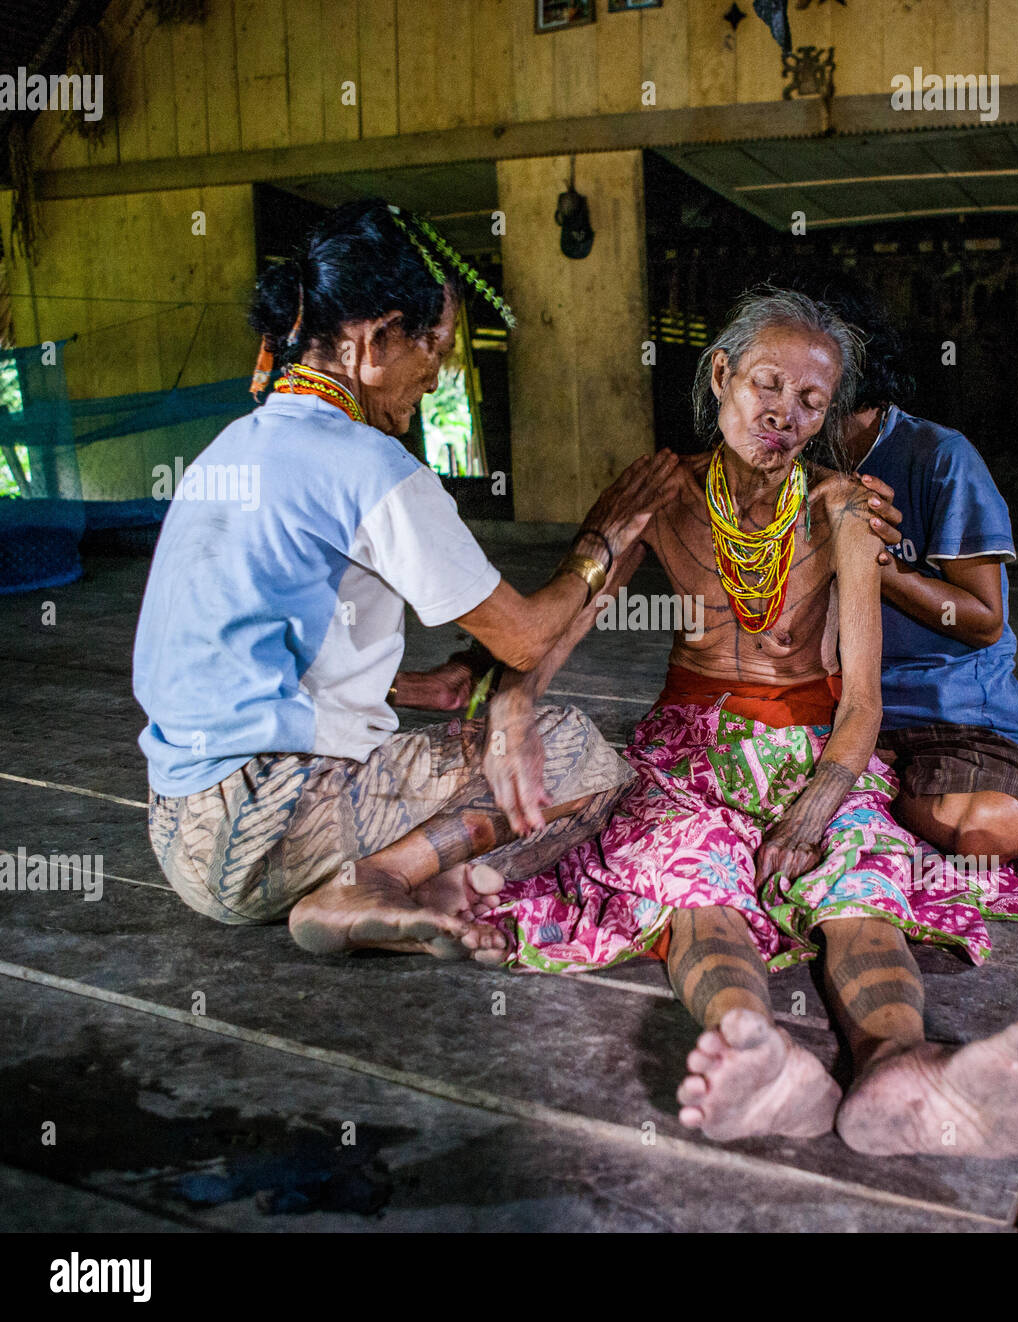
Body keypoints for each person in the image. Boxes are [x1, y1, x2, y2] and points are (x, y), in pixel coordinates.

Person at [474, 288, 1018, 1157]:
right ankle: (753, 1048)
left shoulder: (844, 507)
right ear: (721, 374)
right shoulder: (659, 491)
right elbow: (564, 621)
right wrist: (515, 697)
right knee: (697, 884)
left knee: (859, 884)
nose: (785, 413)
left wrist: (814, 812)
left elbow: (864, 703)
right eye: (768, 383)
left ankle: (901, 1066)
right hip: (689, 747)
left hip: (815, 748)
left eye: (811, 400)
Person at [134, 199, 680, 961]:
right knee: (575, 751)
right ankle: (374, 880)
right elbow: (524, 635)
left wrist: (407, 687)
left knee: (487, 736)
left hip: (178, 827)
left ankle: (392, 884)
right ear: (377, 338)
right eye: (437, 347)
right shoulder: (369, 465)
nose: (436, 375)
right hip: (274, 822)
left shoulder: (231, 448)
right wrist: (600, 544)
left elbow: (228, 649)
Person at [823, 278, 1018, 872]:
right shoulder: (791, 460)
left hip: (943, 718)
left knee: (990, 827)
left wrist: (879, 567)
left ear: (850, 370)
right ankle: (875, 794)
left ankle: (879, 794)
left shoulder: (940, 457)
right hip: (829, 708)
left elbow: (982, 621)